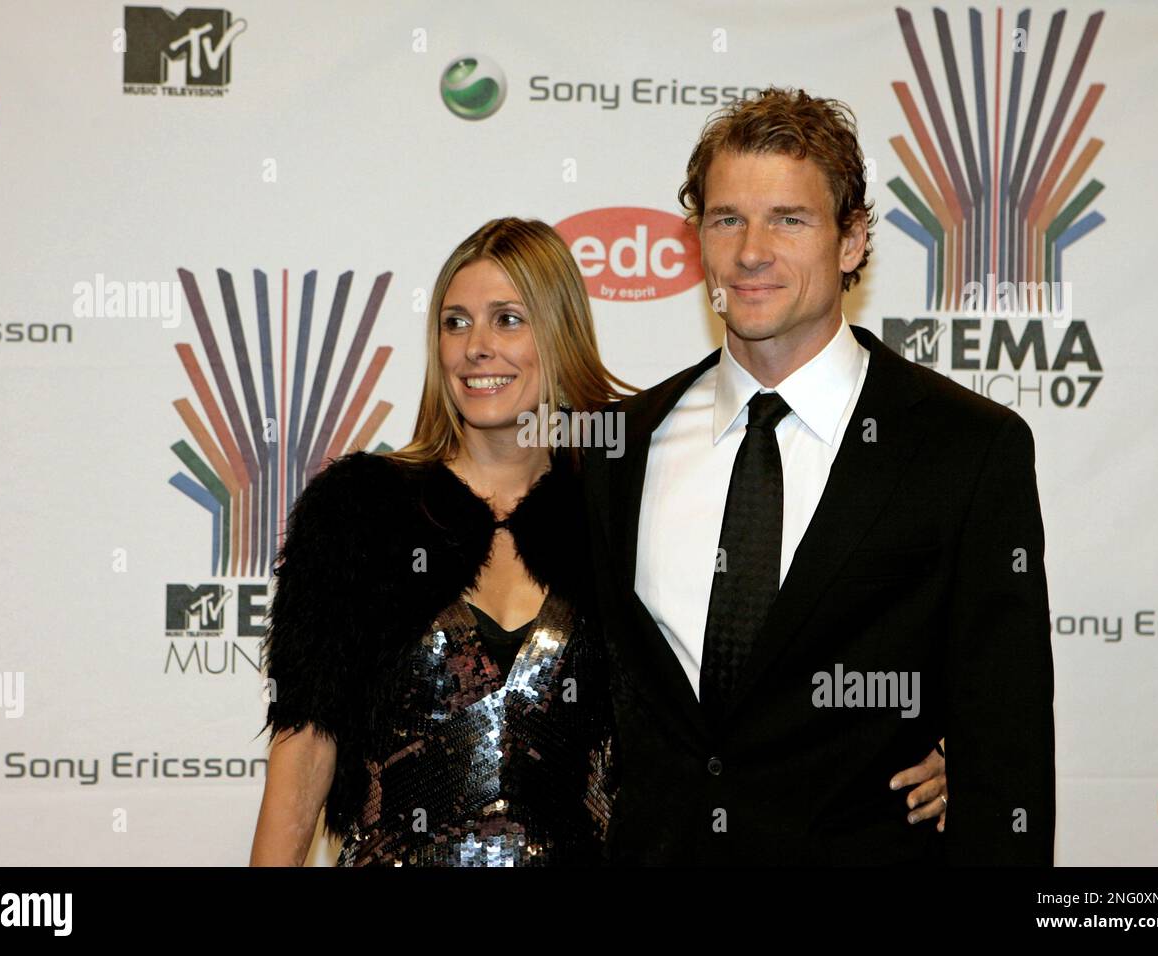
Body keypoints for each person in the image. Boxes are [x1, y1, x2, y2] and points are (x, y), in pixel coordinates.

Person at [249, 216, 949, 867]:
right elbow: (307, 741)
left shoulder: (623, 499)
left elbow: (754, 681)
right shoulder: (360, 511)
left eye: (508, 320)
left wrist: (928, 743)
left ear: (557, 334)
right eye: (454, 322)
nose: (476, 347)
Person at [581, 88, 1053, 865]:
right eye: (726, 218)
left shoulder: (964, 448)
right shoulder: (622, 445)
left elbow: (1007, 747)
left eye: (789, 220)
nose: (751, 251)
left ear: (852, 242)